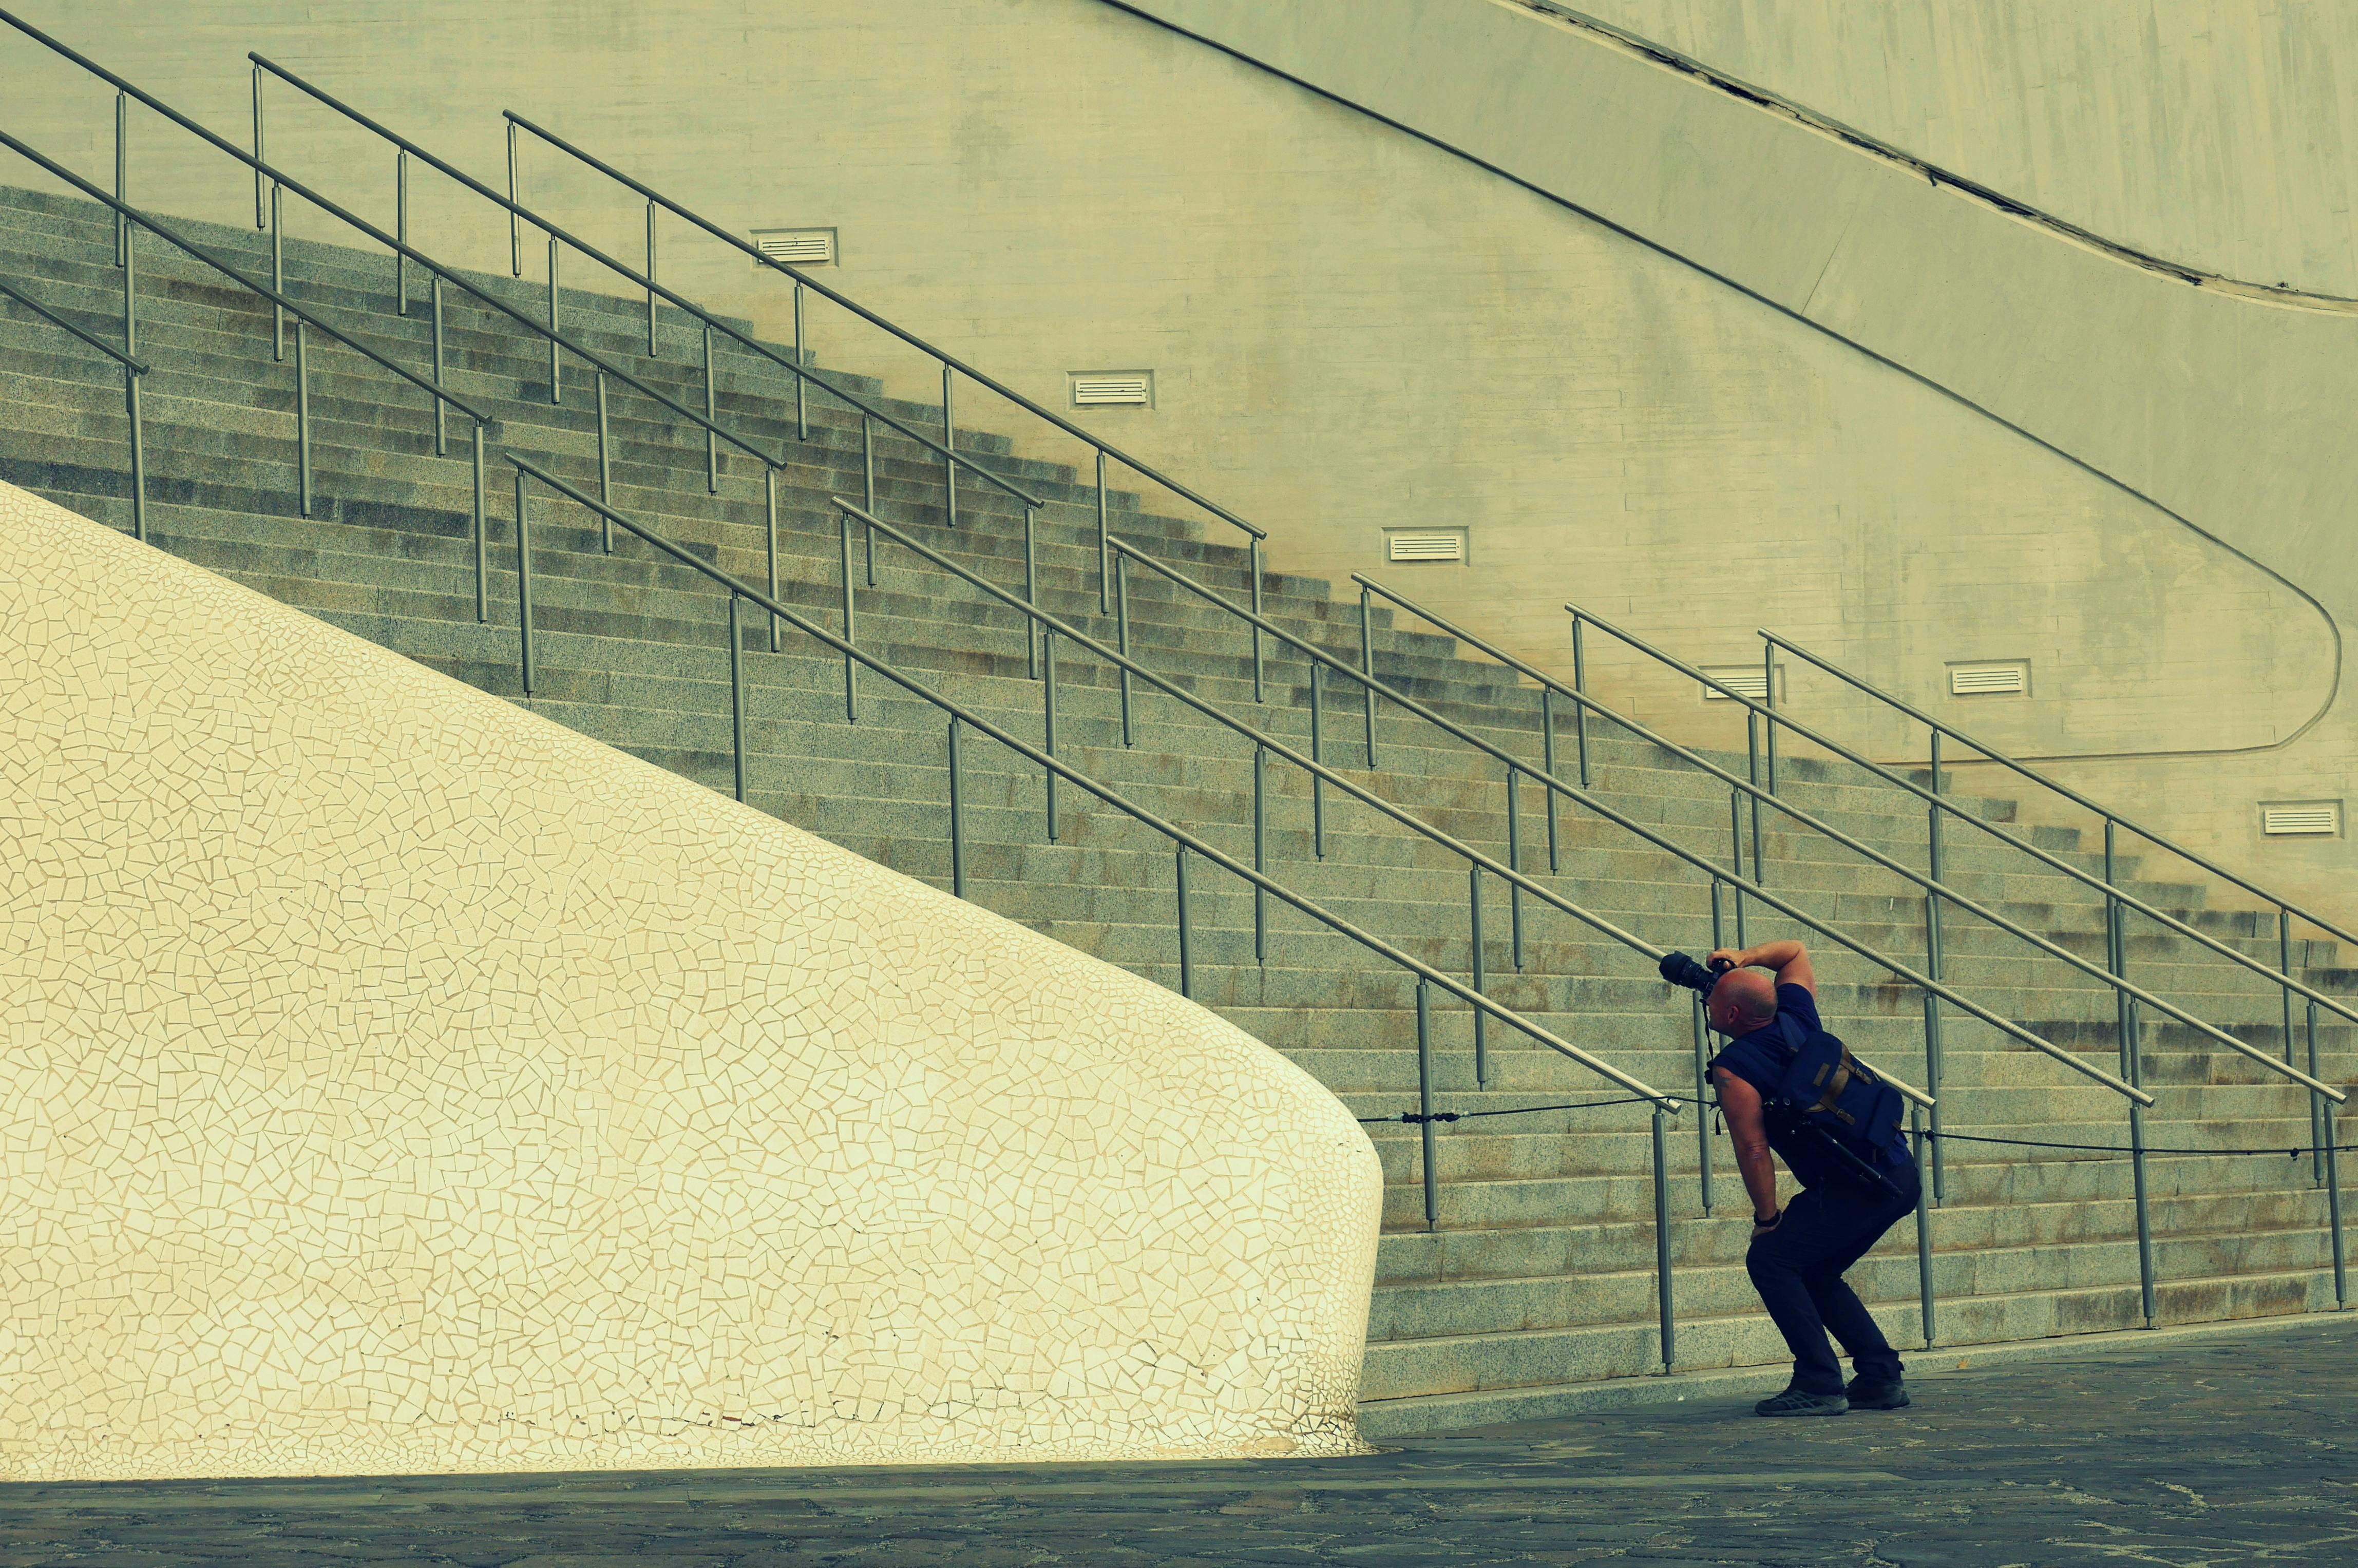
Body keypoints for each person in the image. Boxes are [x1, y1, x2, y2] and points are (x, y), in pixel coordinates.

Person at [1705, 939, 1921, 1417]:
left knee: (1771, 1259)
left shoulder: (1733, 1069)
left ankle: (1819, 1382)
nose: (1705, 1001)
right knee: (1817, 1269)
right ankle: (1880, 1377)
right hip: (1898, 1173)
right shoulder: (1799, 1015)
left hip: (1856, 1188)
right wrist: (1743, 960)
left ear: (1734, 1016)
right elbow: (1795, 952)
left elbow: (1754, 1148)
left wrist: (1768, 1217)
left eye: (1713, 999)